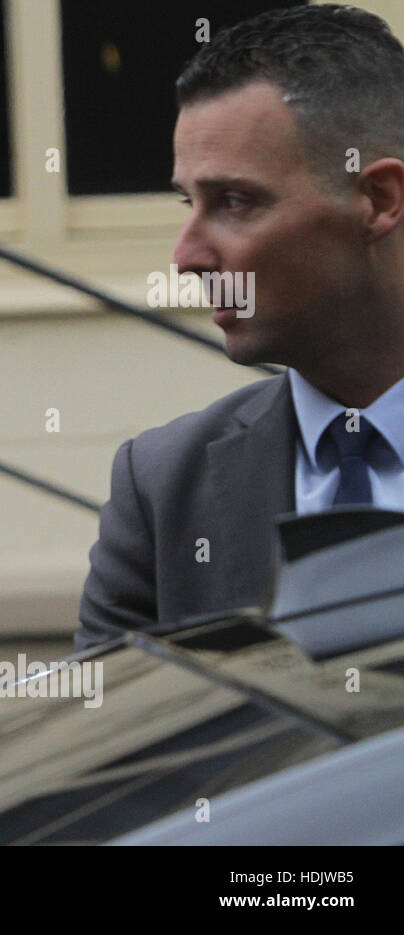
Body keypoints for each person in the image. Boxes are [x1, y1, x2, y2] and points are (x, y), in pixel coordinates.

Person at [77, 4, 404, 652]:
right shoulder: (164, 485)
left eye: (235, 201)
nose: (187, 256)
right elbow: (125, 743)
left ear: (378, 201)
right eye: (187, 202)